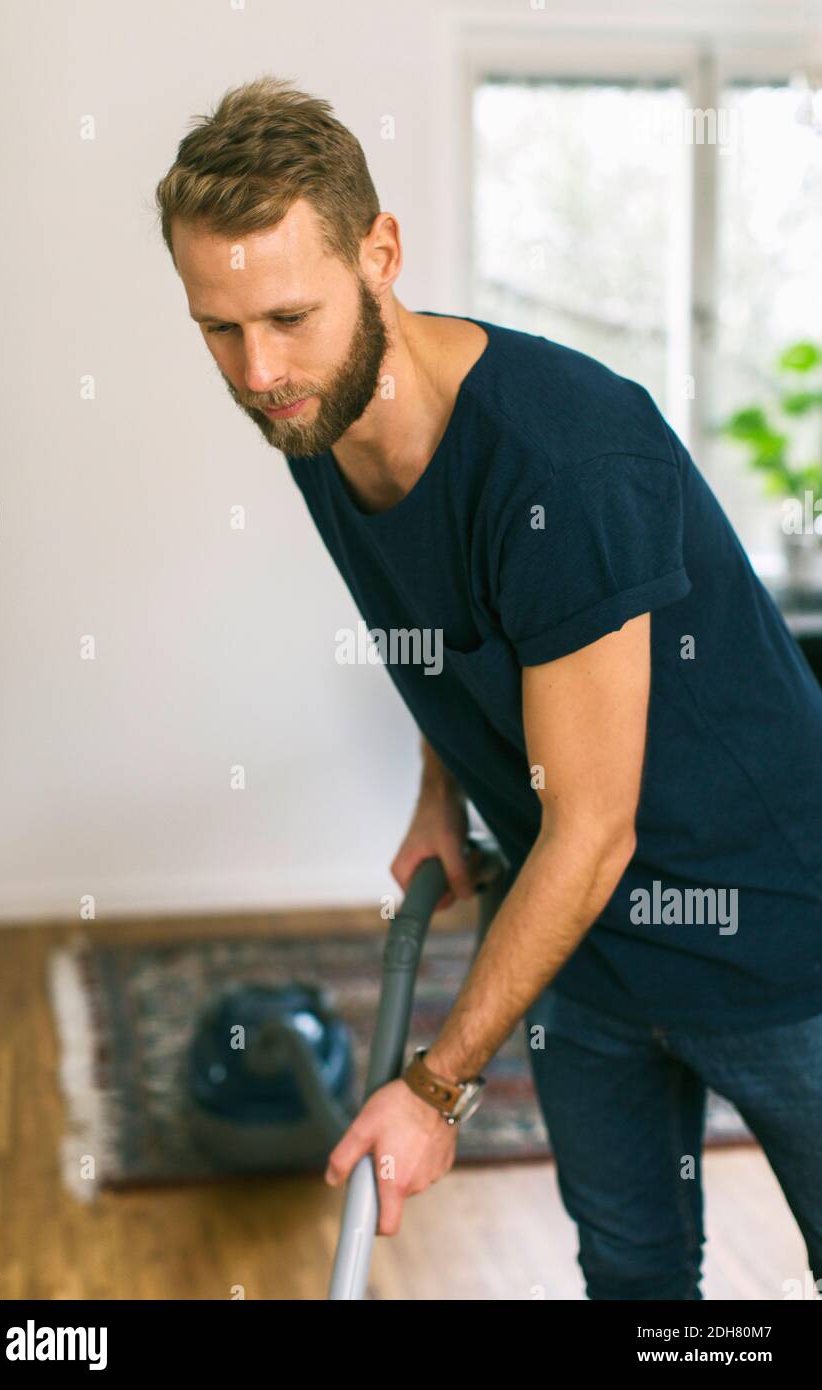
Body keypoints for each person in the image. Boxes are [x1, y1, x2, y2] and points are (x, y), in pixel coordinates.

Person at [155, 75, 822, 1299]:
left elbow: (591, 826)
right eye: (220, 328)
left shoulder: (561, 459)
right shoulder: (318, 421)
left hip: (775, 927)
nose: (257, 371)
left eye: (289, 316)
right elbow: (446, 634)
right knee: (631, 1274)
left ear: (381, 253)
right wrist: (437, 796)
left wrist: (433, 1086)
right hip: (586, 947)